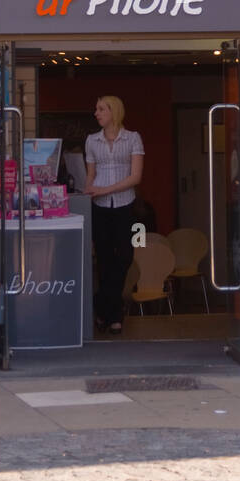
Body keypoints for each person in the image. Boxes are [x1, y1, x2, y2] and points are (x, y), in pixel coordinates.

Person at [84, 96, 144, 334]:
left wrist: (104, 189)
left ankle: (101, 304)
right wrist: (89, 189)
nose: (96, 113)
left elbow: (135, 177)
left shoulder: (133, 138)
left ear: (113, 111)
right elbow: (91, 174)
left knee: (126, 255)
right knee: (105, 257)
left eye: (101, 109)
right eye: (96, 109)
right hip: (99, 207)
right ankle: (114, 315)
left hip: (125, 204)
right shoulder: (91, 141)